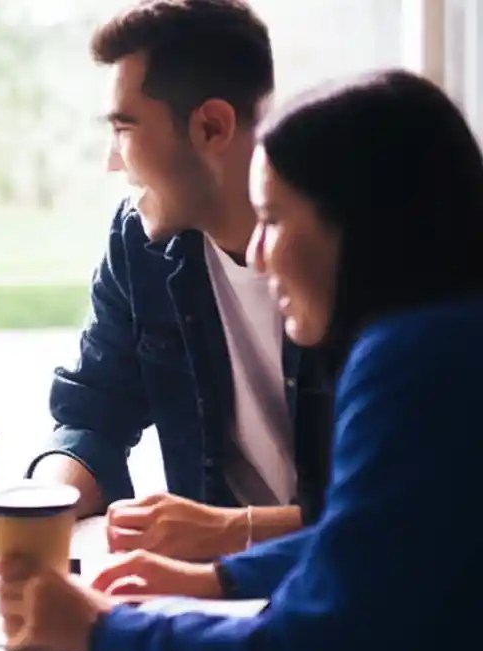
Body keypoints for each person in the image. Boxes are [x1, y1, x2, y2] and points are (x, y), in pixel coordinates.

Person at [0, 68, 483, 651]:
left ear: (363, 225)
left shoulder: (412, 359)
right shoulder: (451, 336)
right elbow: (383, 542)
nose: (258, 251)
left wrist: (98, 629)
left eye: (274, 220)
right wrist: (220, 578)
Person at [28, 0, 335, 561]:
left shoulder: (350, 252)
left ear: (211, 127)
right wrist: (33, 508)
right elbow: (92, 419)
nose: (113, 163)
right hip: (219, 592)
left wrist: (231, 532)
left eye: (124, 128)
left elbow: (401, 508)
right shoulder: (138, 243)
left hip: (343, 595)